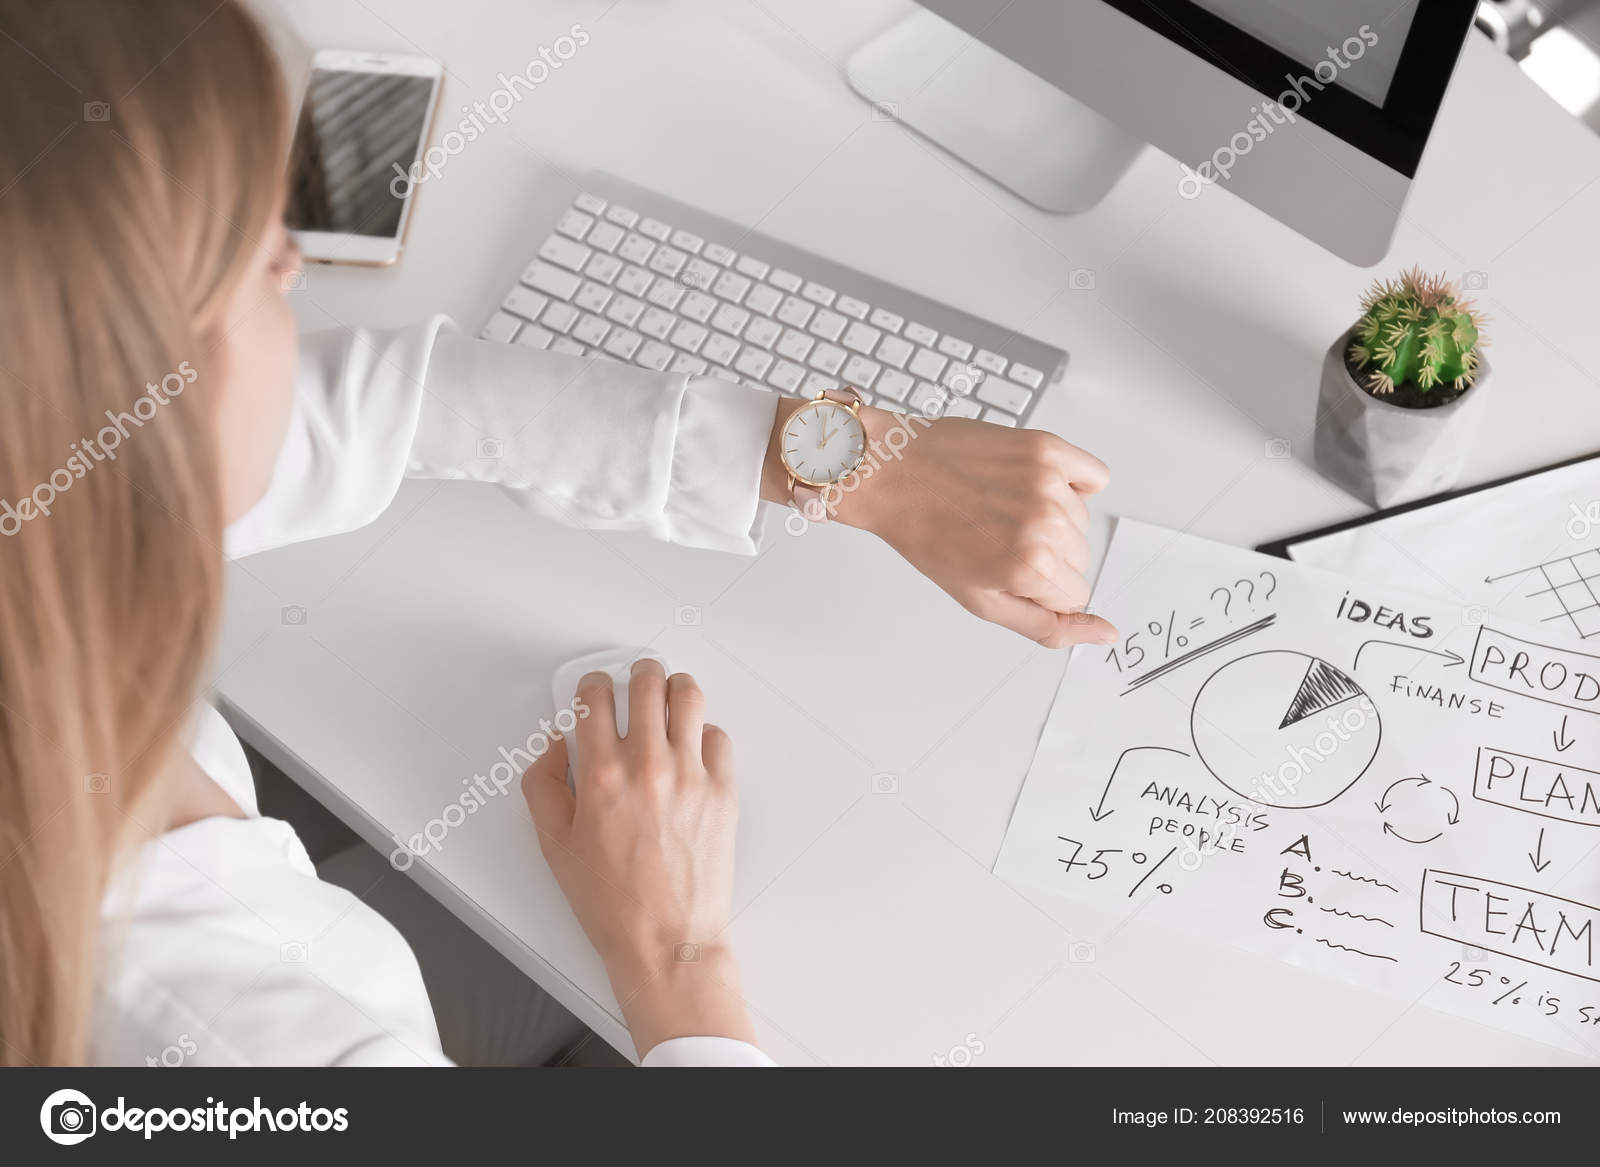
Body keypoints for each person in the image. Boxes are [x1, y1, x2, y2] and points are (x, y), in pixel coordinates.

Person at [0, 0, 1114, 1067]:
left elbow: (389, 403)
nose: (296, 262)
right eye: (254, 269)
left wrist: (845, 457)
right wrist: (680, 965)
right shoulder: (222, 1036)